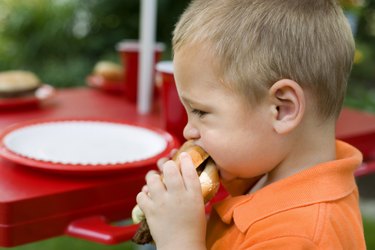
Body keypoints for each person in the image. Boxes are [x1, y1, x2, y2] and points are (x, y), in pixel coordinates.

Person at [136, 0, 366, 249]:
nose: (188, 131)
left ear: (282, 109)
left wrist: (179, 239)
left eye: (201, 111)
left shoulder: (297, 237)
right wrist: (188, 199)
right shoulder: (278, 175)